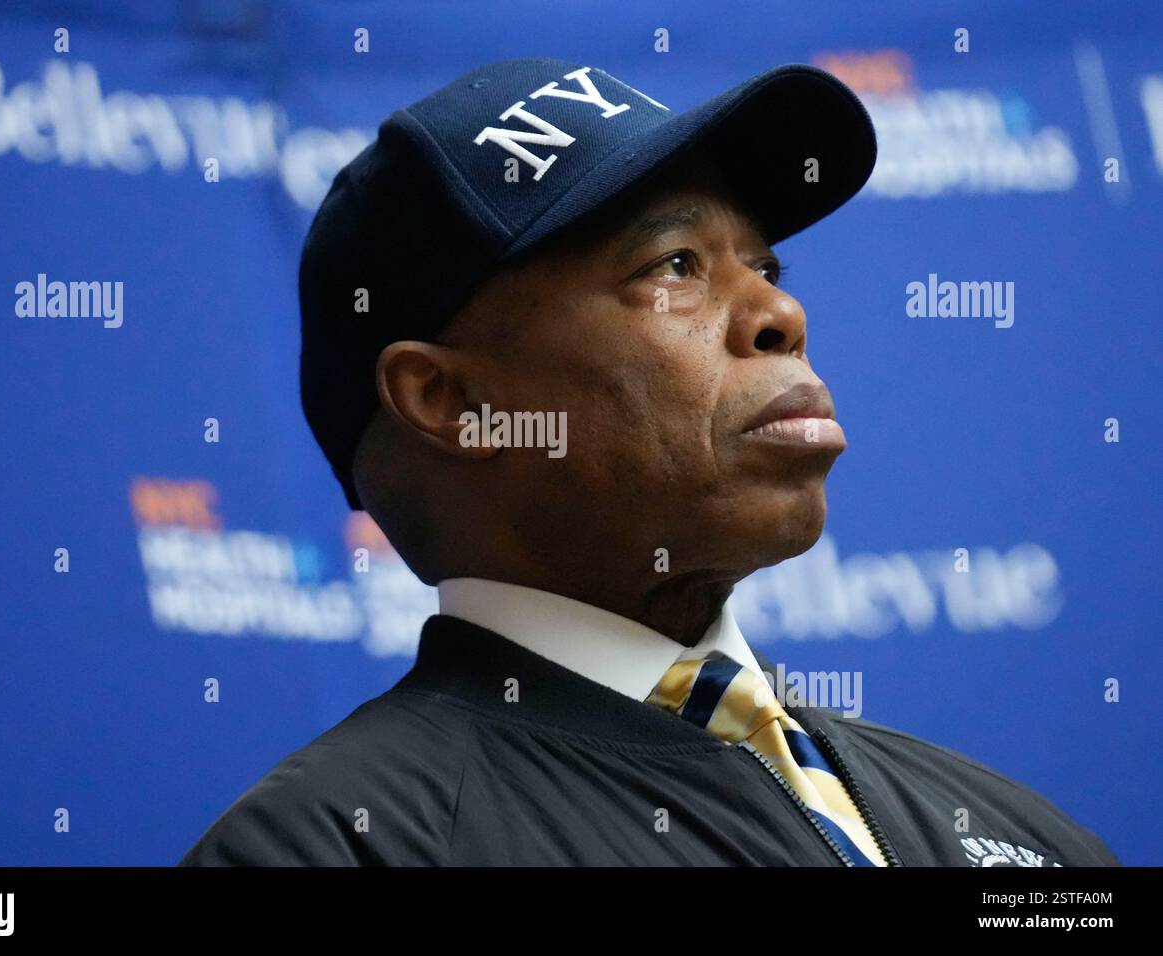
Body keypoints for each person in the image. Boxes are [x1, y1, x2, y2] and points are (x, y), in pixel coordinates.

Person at [180, 58, 1120, 866]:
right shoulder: (343, 846)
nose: (780, 315)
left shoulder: (1027, 838)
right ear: (454, 404)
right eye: (674, 266)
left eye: (767, 267)